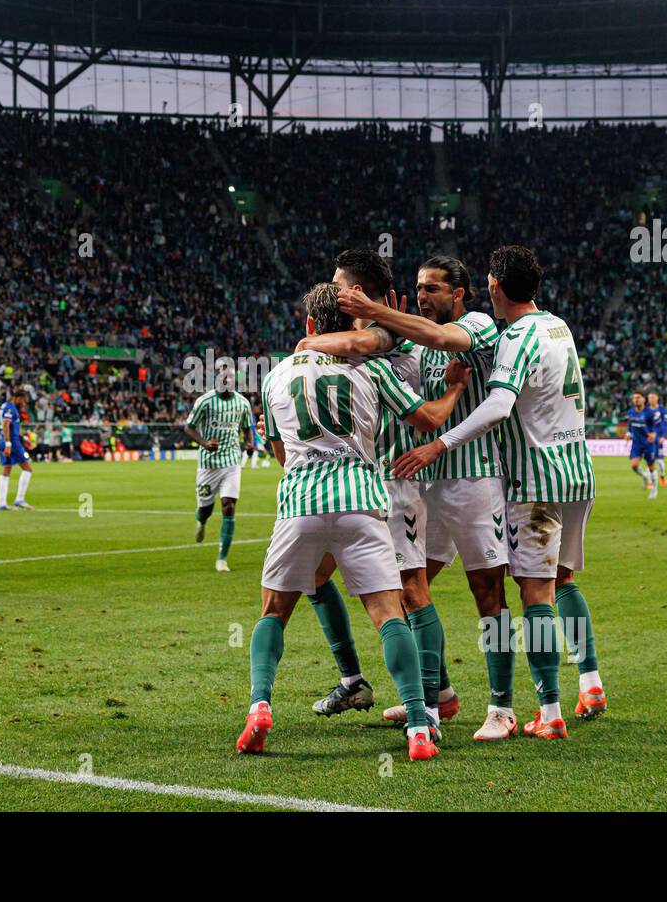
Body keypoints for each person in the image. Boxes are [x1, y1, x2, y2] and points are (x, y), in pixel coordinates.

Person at [236, 282, 466, 762]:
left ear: (310, 326)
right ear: (354, 325)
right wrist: (455, 388)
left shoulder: (275, 376)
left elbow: (279, 452)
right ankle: (419, 726)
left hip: (300, 502)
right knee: (388, 614)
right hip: (363, 499)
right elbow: (426, 419)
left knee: (274, 611)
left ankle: (259, 707)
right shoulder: (374, 368)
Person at [391, 245, 605, 740]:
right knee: (560, 581)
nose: (422, 295)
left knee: (532, 593)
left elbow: (499, 406)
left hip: (533, 478)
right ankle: (589, 681)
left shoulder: (508, 334)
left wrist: (437, 444)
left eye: (432, 287)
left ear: (489, 287)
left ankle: (539, 710)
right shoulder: (558, 325)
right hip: (575, 470)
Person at [337, 256, 517, 740]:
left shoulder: (476, 326)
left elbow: (440, 338)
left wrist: (375, 310)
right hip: (422, 484)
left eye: (434, 288)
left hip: (475, 479)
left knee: (488, 593)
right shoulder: (415, 337)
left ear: (459, 294)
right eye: (419, 287)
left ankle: (501, 707)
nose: (423, 295)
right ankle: (436, 697)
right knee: (405, 590)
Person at [182, 369, 253, 572]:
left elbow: (247, 427)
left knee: (228, 505)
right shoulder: (205, 401)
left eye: (229, 379)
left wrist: (249, 445)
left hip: (231, 462)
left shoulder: (242, 403)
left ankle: (222, 558)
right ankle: (201, 521)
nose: (226, 382)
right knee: (206, 509)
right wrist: (204, 443)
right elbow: (189, 427)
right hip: (208, 464)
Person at [0, 391, 34, 510]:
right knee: (27, 469)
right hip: (12, 443)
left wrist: (24, 438)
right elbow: (6, 424)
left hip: (8, 441)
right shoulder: (10, 408)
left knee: (6, 469)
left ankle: (2, 503)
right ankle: (19, 499)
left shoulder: (5, 406)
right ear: (18, 397)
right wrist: (8, 444)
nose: (24, 404)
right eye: (23, 401)